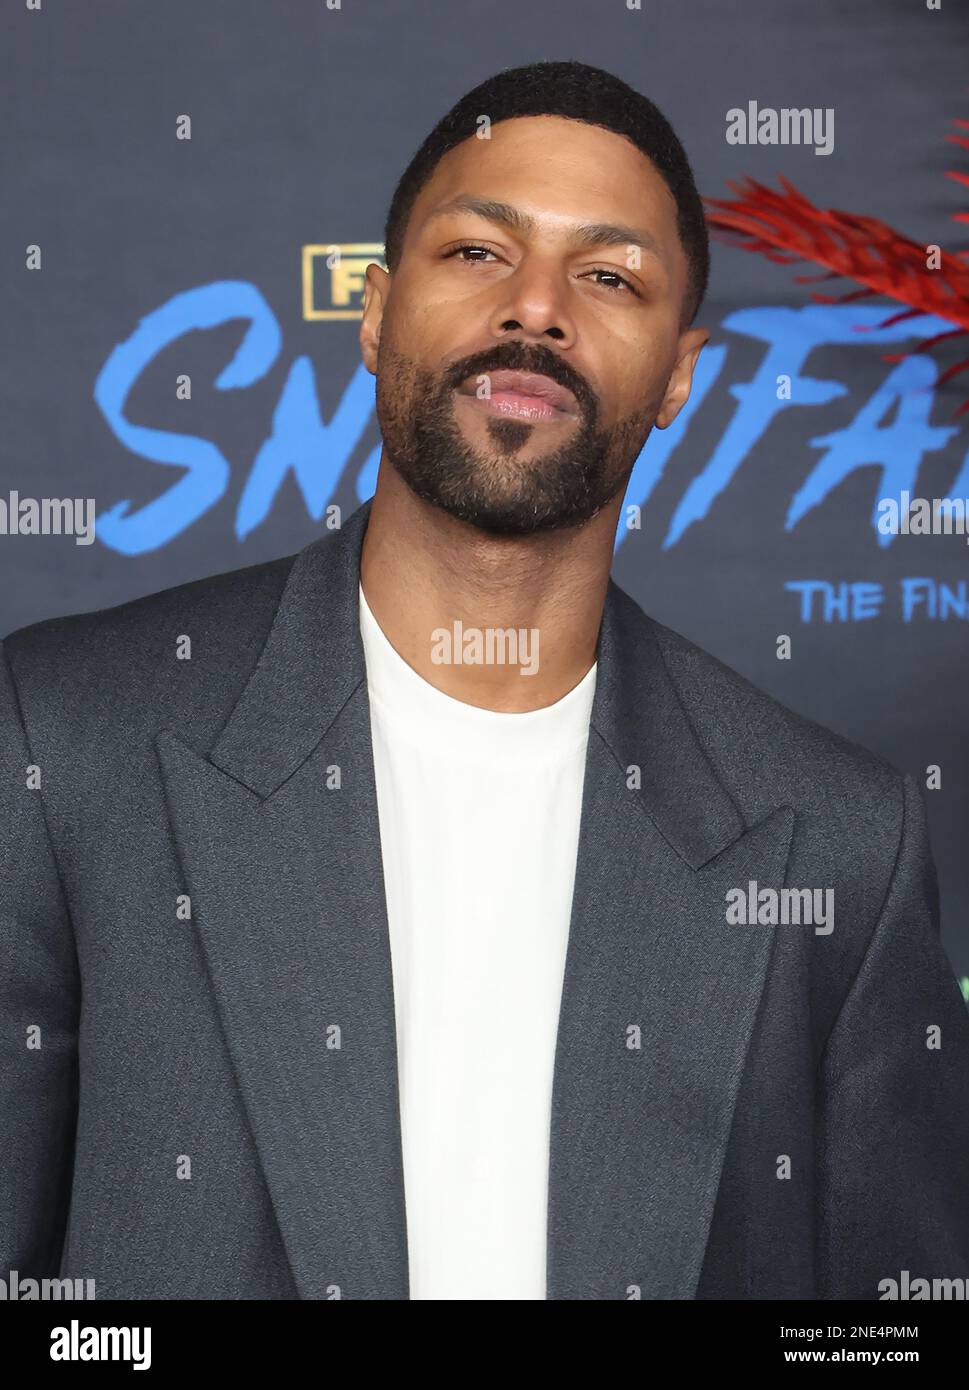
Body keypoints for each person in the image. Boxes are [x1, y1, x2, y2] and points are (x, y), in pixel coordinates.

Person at [2, 60, 968, 1302]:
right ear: (374, 307)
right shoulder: (65, 739)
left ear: (681, 375)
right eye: (477, 253)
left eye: (608, 275)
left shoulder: (842, 844)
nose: (537, 309)